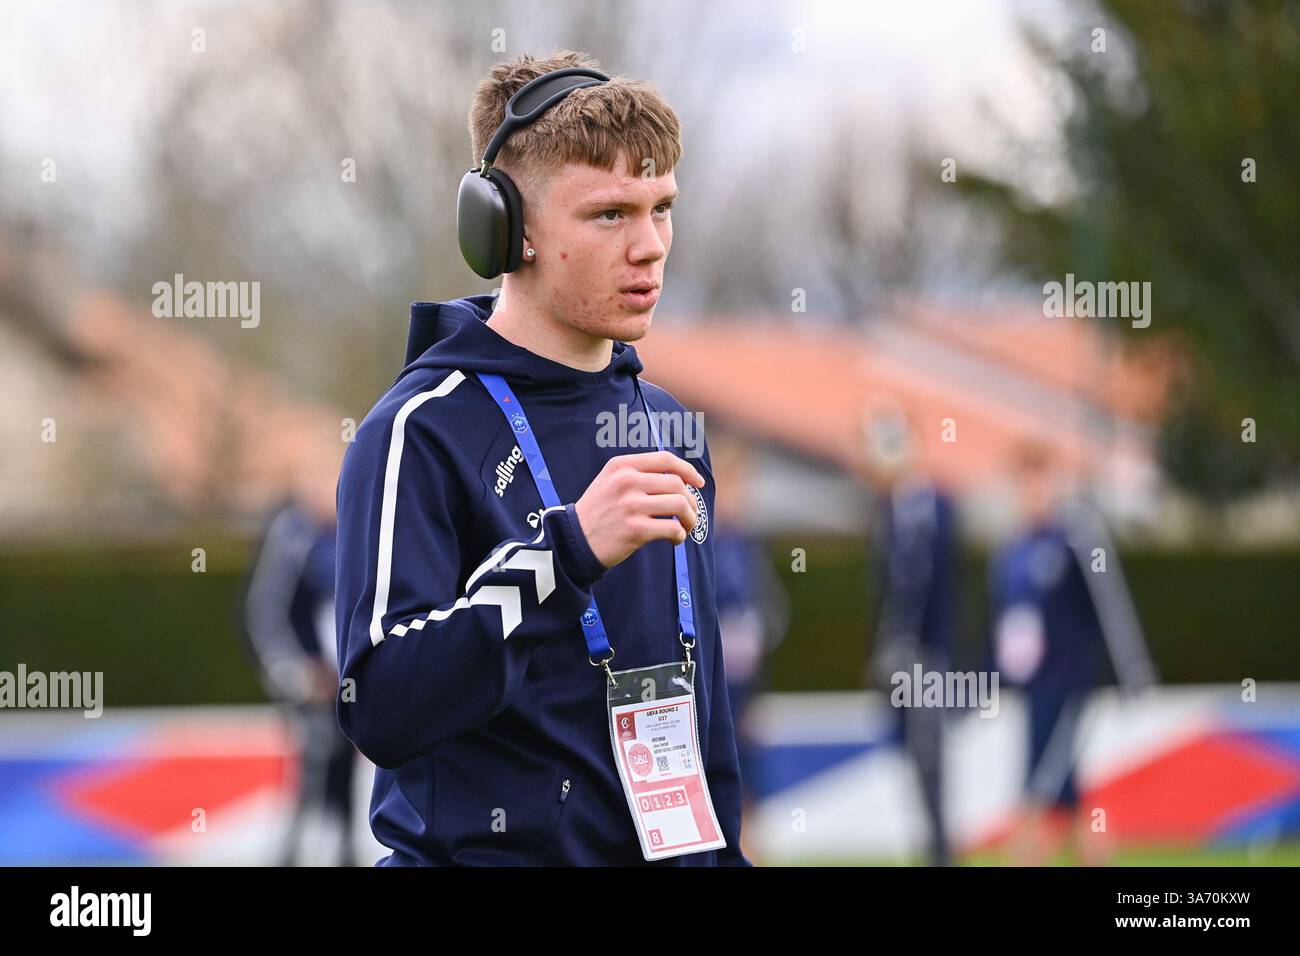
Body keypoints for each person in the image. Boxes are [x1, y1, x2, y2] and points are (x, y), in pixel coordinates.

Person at [333, 51, 747, 866]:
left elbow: (706, 718)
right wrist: (565, 555)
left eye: (660, 208)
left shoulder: (664, 423)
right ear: (505, 228)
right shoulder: (418, 431)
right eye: (608, 215)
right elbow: (379, 703)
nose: (650, 246)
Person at [990, 439, 1157, 866]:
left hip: (1070, 687)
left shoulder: (1078, 537)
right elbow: (1005, 628)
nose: (1033, 492)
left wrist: (1133, 668)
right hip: (1034, 691)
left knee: (1035, 792)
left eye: (1039, 481)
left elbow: (1111, 603)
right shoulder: (1011, 551)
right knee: (1068, 799)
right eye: (1024, 483)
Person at [241, 446, 355, 867]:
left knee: (342, 764)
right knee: (314, 760)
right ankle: (293, 852)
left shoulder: (348, 531)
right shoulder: (290, 536)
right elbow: (264, 613)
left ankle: (342, 850)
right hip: (307, 680)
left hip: (342, 680)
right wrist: (298, 674)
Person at [856, 398, 957, 867]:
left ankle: (941, 852)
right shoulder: (885, 510)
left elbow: (936, 589)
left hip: (928, 657)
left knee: (931, 759)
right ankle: (928, 847)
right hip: (894, 661)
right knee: (906, 754)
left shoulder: (936, 506)